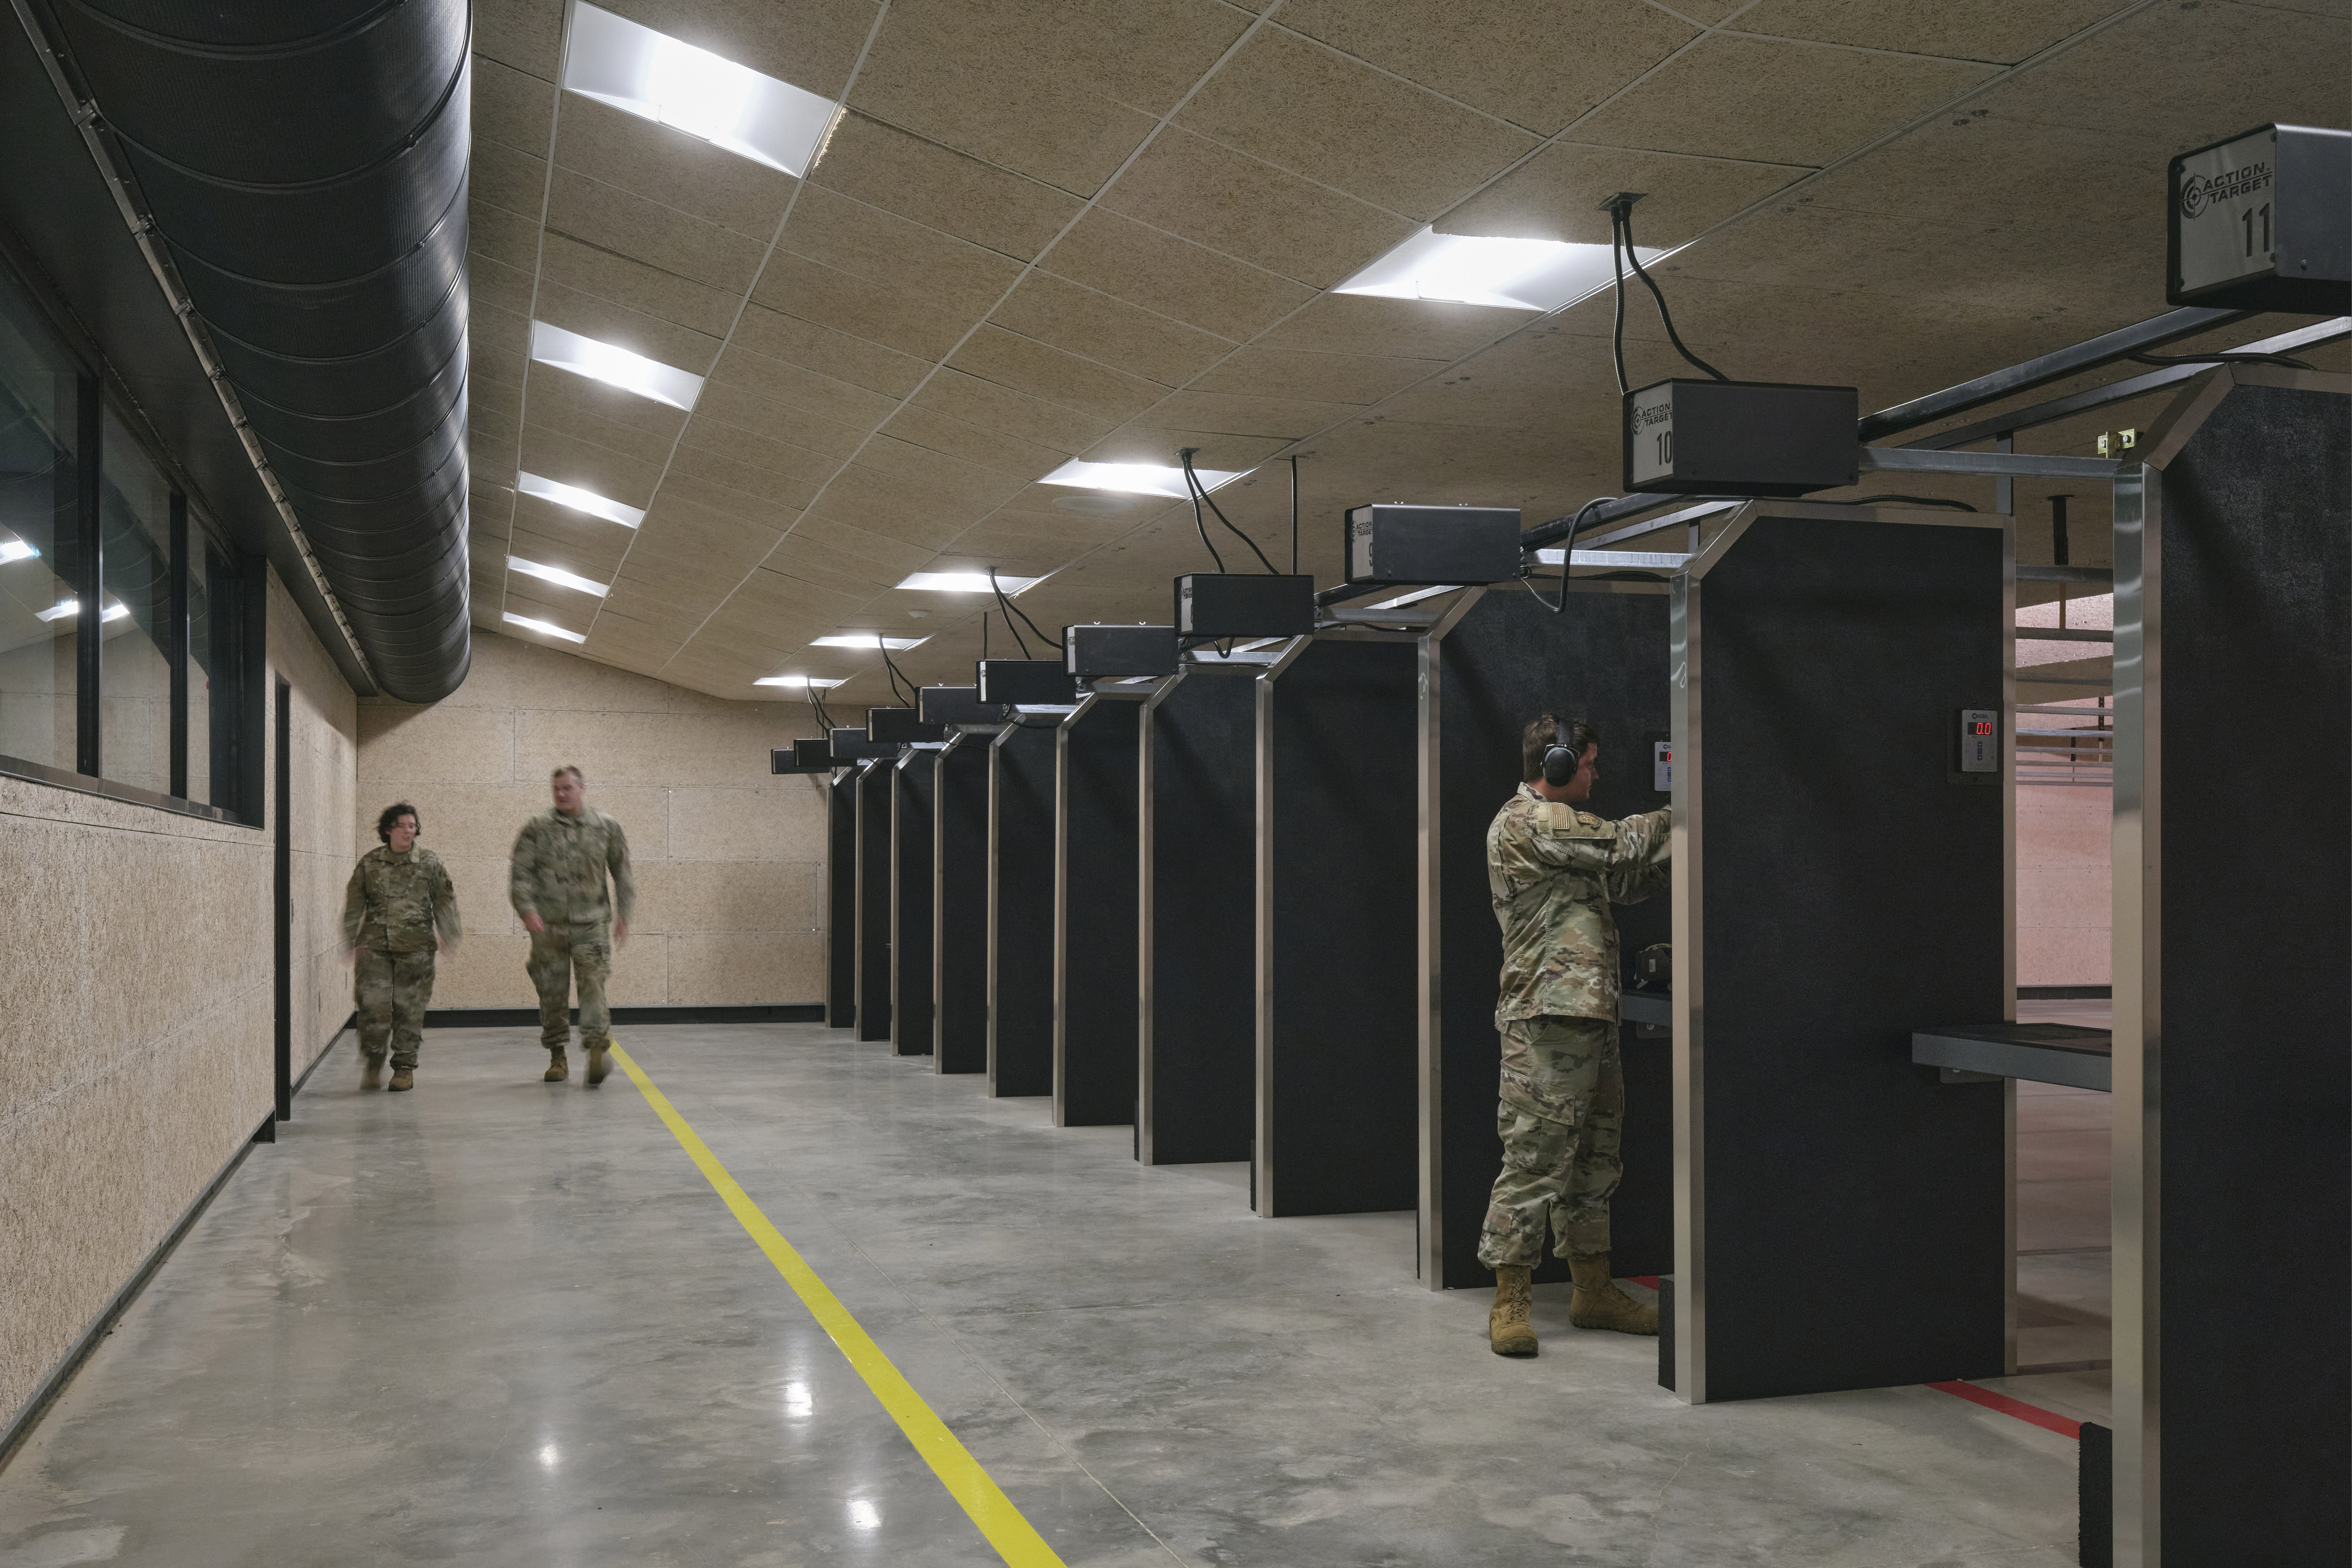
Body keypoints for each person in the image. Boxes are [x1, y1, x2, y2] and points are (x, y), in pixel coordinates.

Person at [1481, 715, 1671, 1357]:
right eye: (1587, 762)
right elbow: (1621, 844)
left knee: (1595, 1159)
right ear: (1556, 764)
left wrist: (1684, 849)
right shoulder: (1527, 821)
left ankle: (1593, 1290)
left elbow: (1627, 879)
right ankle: (1510, 1299)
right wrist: (1688, 812)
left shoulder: (1565, 839)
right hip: (1545, 1018)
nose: (1595, 773)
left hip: (1590, 1013)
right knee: (1534, 1159)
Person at [508, 765, 634, 1086]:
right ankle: (557, 1057)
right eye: (556, 789)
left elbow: (622, 873)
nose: (561, 794)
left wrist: (624, 914)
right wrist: (526, 910)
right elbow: (520, 874)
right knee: (551, 992)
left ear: (582, 788)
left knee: (593, 985)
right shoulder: (537, 827)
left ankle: (596, 1049)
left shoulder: (606, 827)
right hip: (548, 927)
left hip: (591, 923)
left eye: (567, 788)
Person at [342, 803, 461, 1092]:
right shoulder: (370, 863)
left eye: (413, 826)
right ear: (388, 830)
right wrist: (350, 939)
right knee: (372, 1007)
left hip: (416, 948)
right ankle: (373, 1062)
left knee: (409, 1009)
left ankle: (404, 1068)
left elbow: (445, 900)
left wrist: (448, 934)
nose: (409, 831)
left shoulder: (430, 863)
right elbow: (355, 902)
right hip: (375, 948)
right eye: (403, 826)